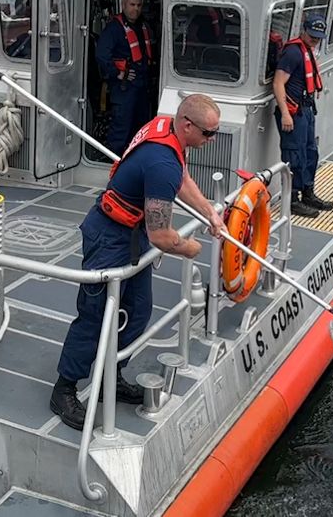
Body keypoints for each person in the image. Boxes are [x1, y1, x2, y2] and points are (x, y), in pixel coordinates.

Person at [51, 95, 226, 430]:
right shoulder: (161, 164)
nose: (212, 139)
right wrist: (189, 248)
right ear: (187, 125)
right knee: (95, 316)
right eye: (208, 133)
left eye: (215, 132)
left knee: (138, 310)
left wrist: (209, 213)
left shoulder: (166, 130)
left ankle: (111, 376)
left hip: (132, 236)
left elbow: (182, 178)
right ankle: (64, 389)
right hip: (108, 238)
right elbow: (162, 236)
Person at [272, 13, 333, 217]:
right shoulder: (293, 53)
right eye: (312, 35)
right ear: (304, 31)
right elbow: (278, 83)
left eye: (318, 37)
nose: (315, 40)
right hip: (293, 112)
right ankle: (292, 199)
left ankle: (308, 192)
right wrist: (285, 113)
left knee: (310, 152)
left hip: (306, 109)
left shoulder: (308, 50)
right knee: (294, 155)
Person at [97, 0, 155, 155]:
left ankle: (133, 160)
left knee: (140, 127)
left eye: (138, 5)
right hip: (124, 87)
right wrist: (118, 73)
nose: (135, 9)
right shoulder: (114, 29)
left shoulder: (143, 26)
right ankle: (113, 161)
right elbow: (101, 55)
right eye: (132, 4)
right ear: (123, 4)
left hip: (142, 86)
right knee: (121, 129)